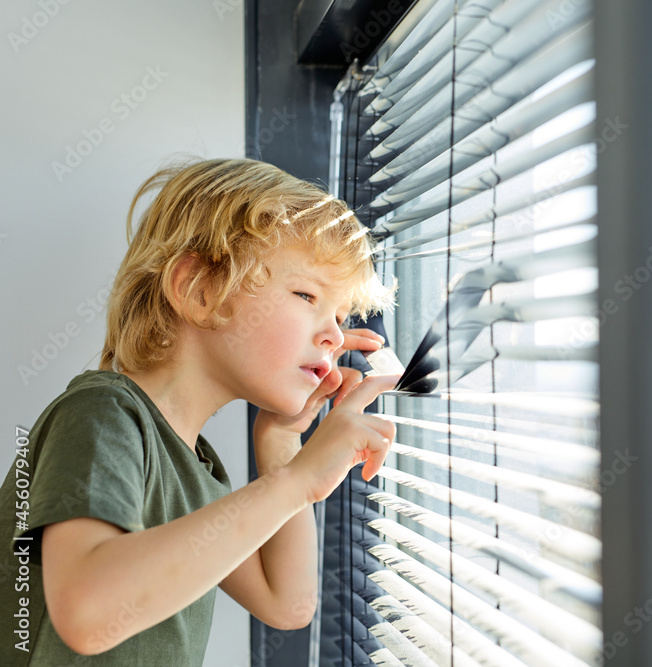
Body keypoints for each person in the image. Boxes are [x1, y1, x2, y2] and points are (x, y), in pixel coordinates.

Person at [0, 157, 399, 665]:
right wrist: (297, 482)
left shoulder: (196, 467)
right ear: (200, 291)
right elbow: (87, 611)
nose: (335, 337)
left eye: (341, 319)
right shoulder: (102, 414)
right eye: (307, 295)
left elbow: (287, 603)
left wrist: (280, 448)